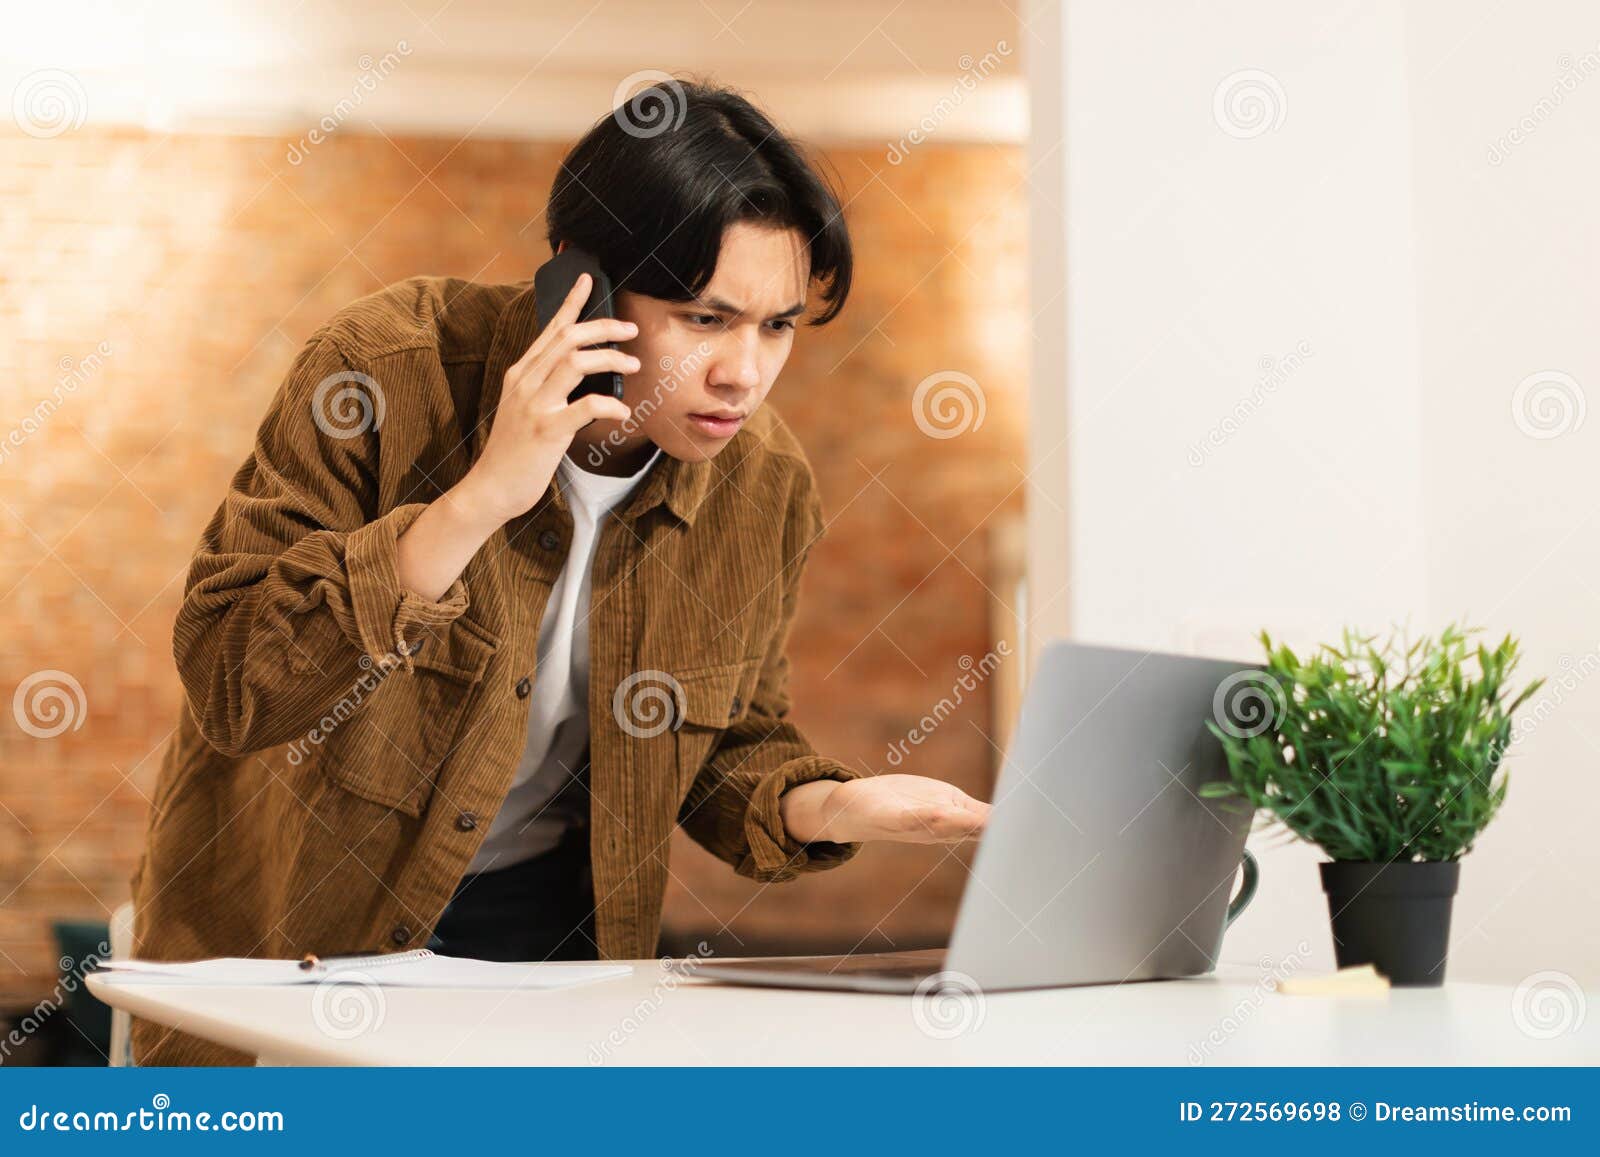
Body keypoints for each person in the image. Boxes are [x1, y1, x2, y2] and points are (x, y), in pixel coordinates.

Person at [130, 79, 990, 1066]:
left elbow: (721, 740)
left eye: (776, 325)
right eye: (704, 319)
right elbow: (237, 680)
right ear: (580, 289)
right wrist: (483, 495)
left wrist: (827, 804)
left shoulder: (765, 489)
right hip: (304, 940)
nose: (743, 374)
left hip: (549, 953)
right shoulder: (386, 367)